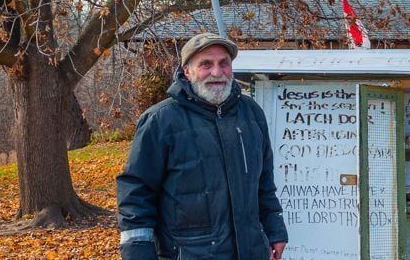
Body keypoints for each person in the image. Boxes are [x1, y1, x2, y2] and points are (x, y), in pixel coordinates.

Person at [117, 32, 288, 260]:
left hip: (251, 250)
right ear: (187, 71)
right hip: (188, 253)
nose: (217, 72)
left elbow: (263, 182)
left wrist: (275, 229)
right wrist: (138, 252)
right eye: (206, 64)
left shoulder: (251, 114)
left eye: (224, 63)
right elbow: (137, 194)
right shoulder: (160, 121)